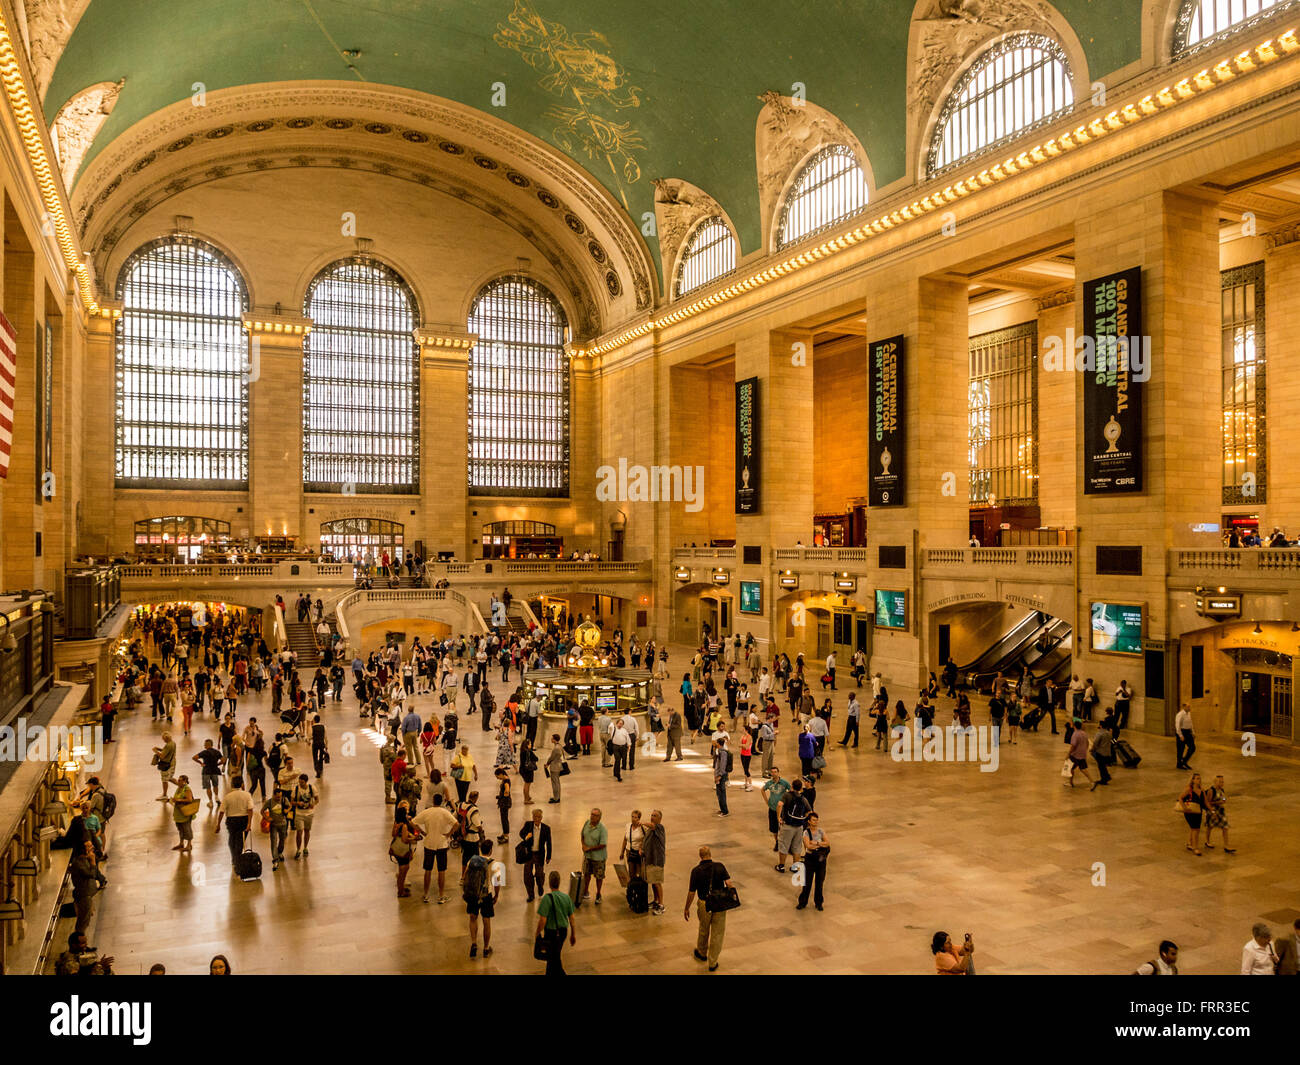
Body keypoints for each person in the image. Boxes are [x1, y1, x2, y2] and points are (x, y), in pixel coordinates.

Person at [684, 845, 732, 972]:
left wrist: (686, 908)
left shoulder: (696, 871)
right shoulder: (720, 866)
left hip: (704, 903)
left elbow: (691, 892)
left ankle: (702, 952)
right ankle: (713, 962)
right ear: (710, 854)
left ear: (700, 856)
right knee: (717, 933)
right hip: (719, 904)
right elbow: (729, 884)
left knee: (703, 929)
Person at [412, 793, 457, 904]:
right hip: (442, 844)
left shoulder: (427, 812)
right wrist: (449, 834)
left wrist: (422, 832)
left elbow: (413, 822)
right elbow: (456, 824)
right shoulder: (445, 813)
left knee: (428, 869)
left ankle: (426, 894)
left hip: (429, 844)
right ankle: (441, 895)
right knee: (441, 870)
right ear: (441, 801)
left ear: (433, 801)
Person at [536, 870, 577, 975]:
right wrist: (573, 934)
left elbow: (542, 920)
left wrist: (537, 933)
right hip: (563, 932)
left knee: (553, 958)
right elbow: (572, 919)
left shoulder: (547, 899)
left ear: (549, 883)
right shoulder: (566, 898)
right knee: (553, 956)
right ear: (559, 882)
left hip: (551, 932)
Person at [463, 839, 499, 958]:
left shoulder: (471, 860)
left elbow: (464, 876)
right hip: (485, 895)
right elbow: (497, 883)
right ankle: (486, 948)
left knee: (473, 918)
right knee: (486, 921)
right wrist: (496, 895)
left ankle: (474, 943)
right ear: (490, 851)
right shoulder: (493, 864)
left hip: (473, 894)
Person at [215, 775, 254, 869]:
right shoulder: (247, 795)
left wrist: (218, 824)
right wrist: (249, 823)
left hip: (231, 820)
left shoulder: (227, 797)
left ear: (231, 784)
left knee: (232, 839)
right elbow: (250, 809)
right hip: (244, 820)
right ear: (242, 784)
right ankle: (237, 860)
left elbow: (221, 811)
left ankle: (235, 859)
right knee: (240, 841)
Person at [70, 840, 107, 934]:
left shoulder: (84, 859)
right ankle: (79, 942)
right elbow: (92, 874)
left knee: (86, 920)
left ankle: (82, 942)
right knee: (82, 921)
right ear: (83, 849)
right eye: (89, 847)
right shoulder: (79, 863)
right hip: (83, 895)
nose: (92, 848)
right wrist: (93, 862)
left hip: (87, 894)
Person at [775, 778, 810, 873]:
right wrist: (802, 818)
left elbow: (779, 805)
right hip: (799, 826)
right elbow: (809, 811)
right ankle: (795, 867)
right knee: (797, 847)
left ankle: (781, 866)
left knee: (783, 845)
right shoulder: (803, 798)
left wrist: (779, 817)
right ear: (800, 788)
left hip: (788, 825)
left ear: (792, 786)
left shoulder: (787, 795)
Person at [796, 811, 829, 911]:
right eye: (814, 820)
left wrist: (817, 843)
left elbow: (827, 843)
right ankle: (803, 902)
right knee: (807, 882)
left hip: (820, 860)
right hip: (810, 860)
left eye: (817, 820)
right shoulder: (806, 832)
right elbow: (808, 846)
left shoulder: (821, 831)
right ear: (809, 822)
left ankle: (819, 903)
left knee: (820, 882)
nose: (816, 822)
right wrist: (820, 845)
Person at [519, 808, 552, 903]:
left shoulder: (546, 828)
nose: (536, 819)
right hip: (529, 854)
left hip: (539, 855)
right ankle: (531, 895)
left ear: (541, 818)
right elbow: (521, 833)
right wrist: (526, 837)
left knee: (539, 874)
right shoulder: (528, 825)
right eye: (534, 816)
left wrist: (548, 856)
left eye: (538, 817)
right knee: (527, 876)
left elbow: (549, 843)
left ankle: (540, 886)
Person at [391, 799, 420, 898]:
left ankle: (401, 889)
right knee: (402, 873)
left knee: (401, 871)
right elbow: (404, 839)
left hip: (396, 849)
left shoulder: (396, 823)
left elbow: (393, 834)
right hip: (403, 850)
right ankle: (401, 892)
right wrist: (413, 838)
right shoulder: (404, 826)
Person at [579, 807, 608, 905]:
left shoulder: (602, 829)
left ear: (599, 817)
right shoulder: (587, 823)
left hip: (598, 857)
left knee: (598, 877)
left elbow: (603, 844)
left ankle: (598, 894)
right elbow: (582, 835)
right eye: (591, 814)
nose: (592, 817)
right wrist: (583, 845)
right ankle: (585, 891)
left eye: (595, 815)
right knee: (586, 874)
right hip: (588, 856)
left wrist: (589, 848)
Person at [261, 785, 293, 870]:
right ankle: (275, 859)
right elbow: (262, 811)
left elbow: (290, 806)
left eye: (280, 796)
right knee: (273, 842)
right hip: (273, 825)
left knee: (282, 840)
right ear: (274, 795)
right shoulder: (269, 802)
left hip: (283, 824)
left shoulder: (284, 799)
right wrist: (267, 818)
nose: (279, 798)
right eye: (277, 796)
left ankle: (279, 852)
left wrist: (287, 810)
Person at [642, 809, 667, 915]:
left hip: (657, 860)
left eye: (655, 815)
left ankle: (661, 904)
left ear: (660, 818)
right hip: (650, 859)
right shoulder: (650, 829)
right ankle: (656, 901)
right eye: (652, 815)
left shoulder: (659, 827)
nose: (652, 817)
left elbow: (653, 826)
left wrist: (642, 823)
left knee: (657, 882)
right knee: (653, 881)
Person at [1177, 773, 1208, 856]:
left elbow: (1205, 802)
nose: (1199, 780)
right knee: (1195, 829)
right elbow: (1180, 797)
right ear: (1193, 780)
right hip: (1190, 812)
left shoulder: (1202, 790)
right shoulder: (1189, 789)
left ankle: (1190, 843)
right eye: (1197, 778)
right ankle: (1195, 847)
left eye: (1199, 779)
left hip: (1198, 812)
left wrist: (1211, 809)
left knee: (1195, 829)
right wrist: (1184, 808)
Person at [166, 774, 198, 852]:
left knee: (187, 829)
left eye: (180, 780)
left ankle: (189, 845)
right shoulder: (179, 788)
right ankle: (181, 843)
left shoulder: (187, 789)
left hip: (185, 813)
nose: (178, 781)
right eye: (178, 780)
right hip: (179, 813)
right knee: (180, 829)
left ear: (184, 781)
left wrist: (178, 800)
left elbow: (190, 800)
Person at [193, 739, 224, 806]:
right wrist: (217, 764)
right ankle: (217, 797)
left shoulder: (204, 752)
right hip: (215, 770)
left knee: (208, 787)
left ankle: (210, 802)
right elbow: (223, 760)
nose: (204, 745)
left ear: (207, 745)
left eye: (205, 744)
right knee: (215, 785)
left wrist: (201, 763)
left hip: (206, 771)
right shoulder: (217, 752)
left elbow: (194, 757)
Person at [1064, 719, 1092, 788]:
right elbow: (1087, 743)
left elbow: (1073, 746)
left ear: (1074, 726)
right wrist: (1085, 750)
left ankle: (1070, 783)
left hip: (1075, 755)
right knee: (1083, 769)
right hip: (1082, 754)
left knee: (1070, 768)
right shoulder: (1084, 733)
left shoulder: (1075, 734)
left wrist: (1068, 754)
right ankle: (1092, 781)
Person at [1088, 721, 1113, 790]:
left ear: (1101, 726)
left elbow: (1095, 743)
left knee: (1101, 766)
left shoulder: (1099, 734)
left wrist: (1092, 749)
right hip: (1107, 752)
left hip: (1100, 752)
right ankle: (1106, 777)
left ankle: (1104, 779)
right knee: (1103, 766)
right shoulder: (1109, 733)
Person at [153, 732, 177, 800]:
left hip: (167, 765)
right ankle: (181, 785)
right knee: (169, 778)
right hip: (172, 763)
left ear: (166, 739)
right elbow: (167, 751)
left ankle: (164, 795)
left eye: (163, 739)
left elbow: (162, 756)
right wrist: (159, 749)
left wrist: (155, 751)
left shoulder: (168, 745)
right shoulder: (173, 743)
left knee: (164, 780)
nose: (163, 740)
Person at [712, 735, 731, 816]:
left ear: (719, 744)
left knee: (722, 793)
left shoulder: (723, 753)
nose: (715, 744)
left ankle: (725, 811)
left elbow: (722, 766)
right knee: (719, 793)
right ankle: (722, 809)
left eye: (716, 743)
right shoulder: (719, 751)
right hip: (719, 775)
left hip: (721, 775)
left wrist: (719, 776)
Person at [1174, 703, 1195, 770]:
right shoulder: (1180, 715)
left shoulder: (1189, 713)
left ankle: (1184, 761)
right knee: (1181, 749)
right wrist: (1180, 735)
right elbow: (1177, 725)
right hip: (1182, 732)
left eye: (1189, 706)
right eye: (1188, 706)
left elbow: (1190, 723)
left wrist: (1193, 732)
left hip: (1188, 732)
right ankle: (1179, 764)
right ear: (1184, 707)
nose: (1189, 708)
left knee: (1192, 747)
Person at [546, 734, 565, 803]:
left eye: (552, 738)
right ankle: (557, 797)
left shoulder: (556, 748)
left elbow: (551, 758)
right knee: (557, 782)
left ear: (554, 739)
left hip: (554, 767)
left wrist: (547, 763)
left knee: (555, 783)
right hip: (558, 766)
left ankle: (556, 798)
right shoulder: (560, 746)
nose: (551, 739)